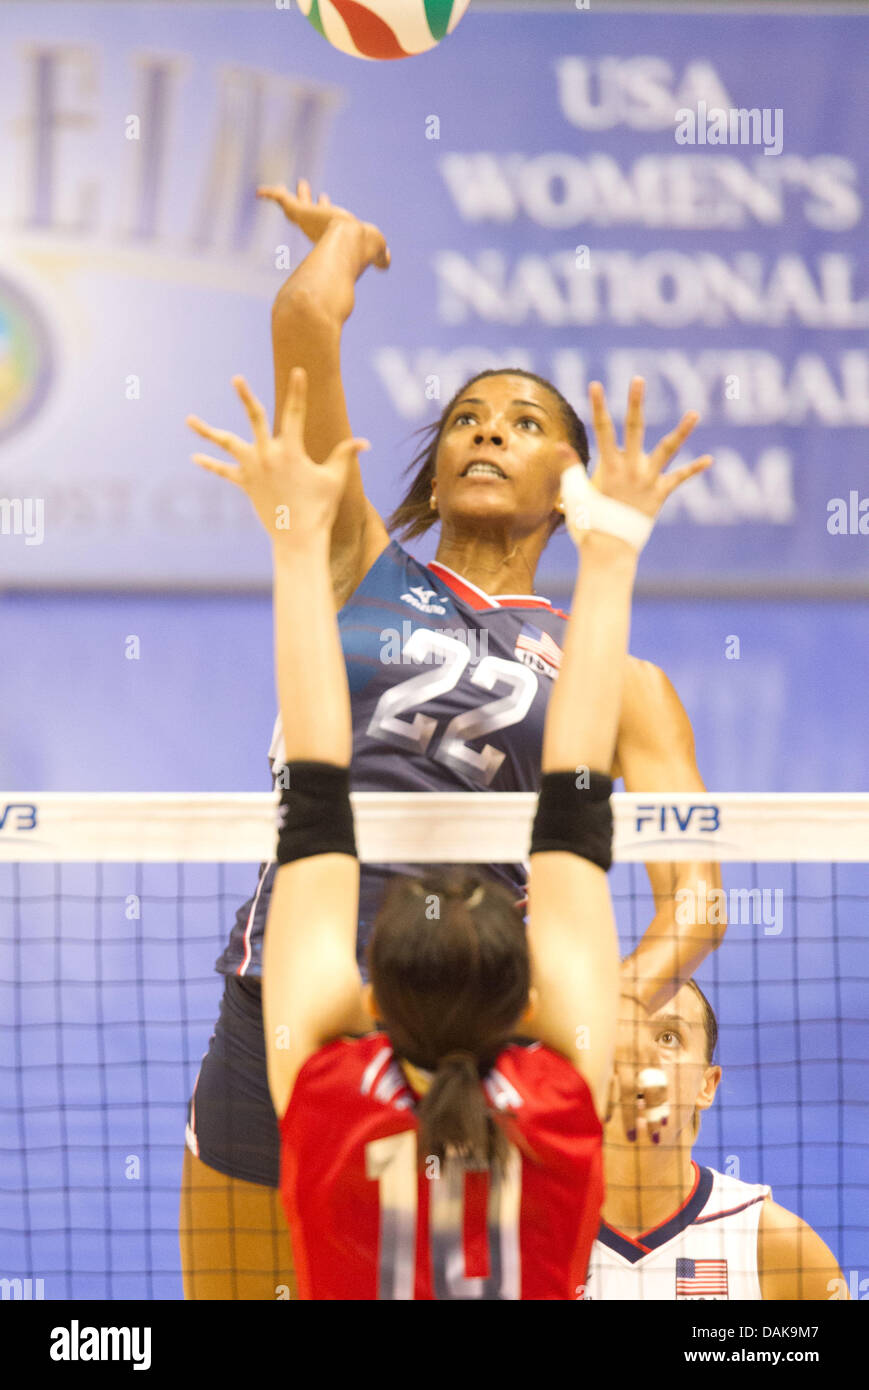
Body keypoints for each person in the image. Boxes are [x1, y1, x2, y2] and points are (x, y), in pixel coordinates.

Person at [179, 180, 719, 1299]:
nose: (488, 430)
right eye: (470, 417)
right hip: (292, 985)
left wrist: (593, 1014)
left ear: (571, 489)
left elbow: (697, 899)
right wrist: (343, 246)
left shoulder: (619, 678)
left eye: (525, 424)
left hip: (479, 1023)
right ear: (433, 466)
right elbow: (300, 329)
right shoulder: (360, 568)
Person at [586, 978, 847, 1300]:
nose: (641, 1059)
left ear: (706, 1085)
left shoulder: (777, 1246)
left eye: (668, 1037)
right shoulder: (524, 1233)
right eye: (619, 1033)